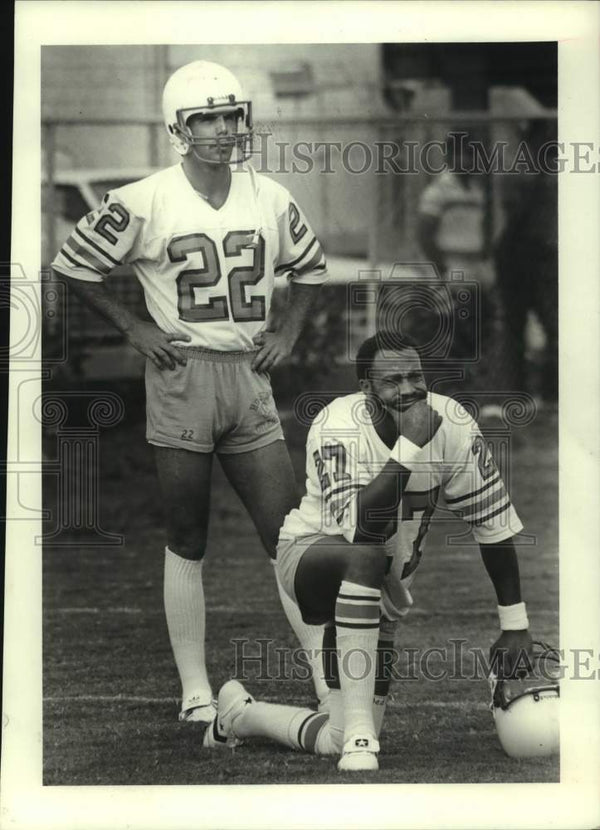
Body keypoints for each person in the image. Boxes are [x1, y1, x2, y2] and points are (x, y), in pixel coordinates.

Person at [50, 60, 330, 723]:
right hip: (181, 375)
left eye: (232, 115)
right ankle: (195, 689)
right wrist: (133, 327)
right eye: (208, 117)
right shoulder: (145, 197)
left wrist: (288, 332)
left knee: (288, 531)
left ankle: (327, 677)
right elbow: (73, 265)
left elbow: (311, 270)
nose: (224, 129)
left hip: (247, 376)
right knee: (186, 533)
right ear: (180, 127)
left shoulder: (268, 194)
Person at [204, 331, 534, 771]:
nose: (409, 389)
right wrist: (409, 447)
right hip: (310, 557)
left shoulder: (451, 423)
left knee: (332, 737)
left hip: (383, 591)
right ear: (366, 388)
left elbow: (491, 523)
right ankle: (362, 736)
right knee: (365, 554)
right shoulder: (338, 424)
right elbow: (363, 528)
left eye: (416, 376)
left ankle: (240, 716)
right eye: (392, 380)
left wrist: (515, 623)